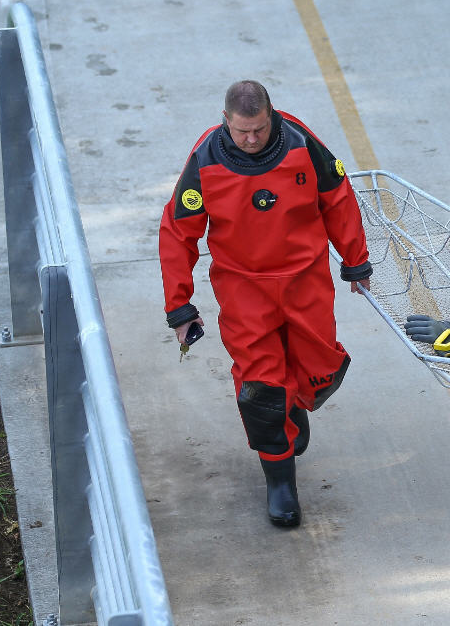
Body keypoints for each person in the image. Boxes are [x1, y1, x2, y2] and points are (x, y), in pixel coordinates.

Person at [159, 80, 372, 527]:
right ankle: (280, 483)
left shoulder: (301, 143)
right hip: (244, 290)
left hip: (305, 281)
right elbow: (178, 232)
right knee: (261, 387)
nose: (252, 139)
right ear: (226, 122)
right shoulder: (206, 159)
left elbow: (338, 198)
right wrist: (180, 306)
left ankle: (295, 403)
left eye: (259, 129)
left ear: (271, 116)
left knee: (318, 367)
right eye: (242, 132)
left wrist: (356, 261)